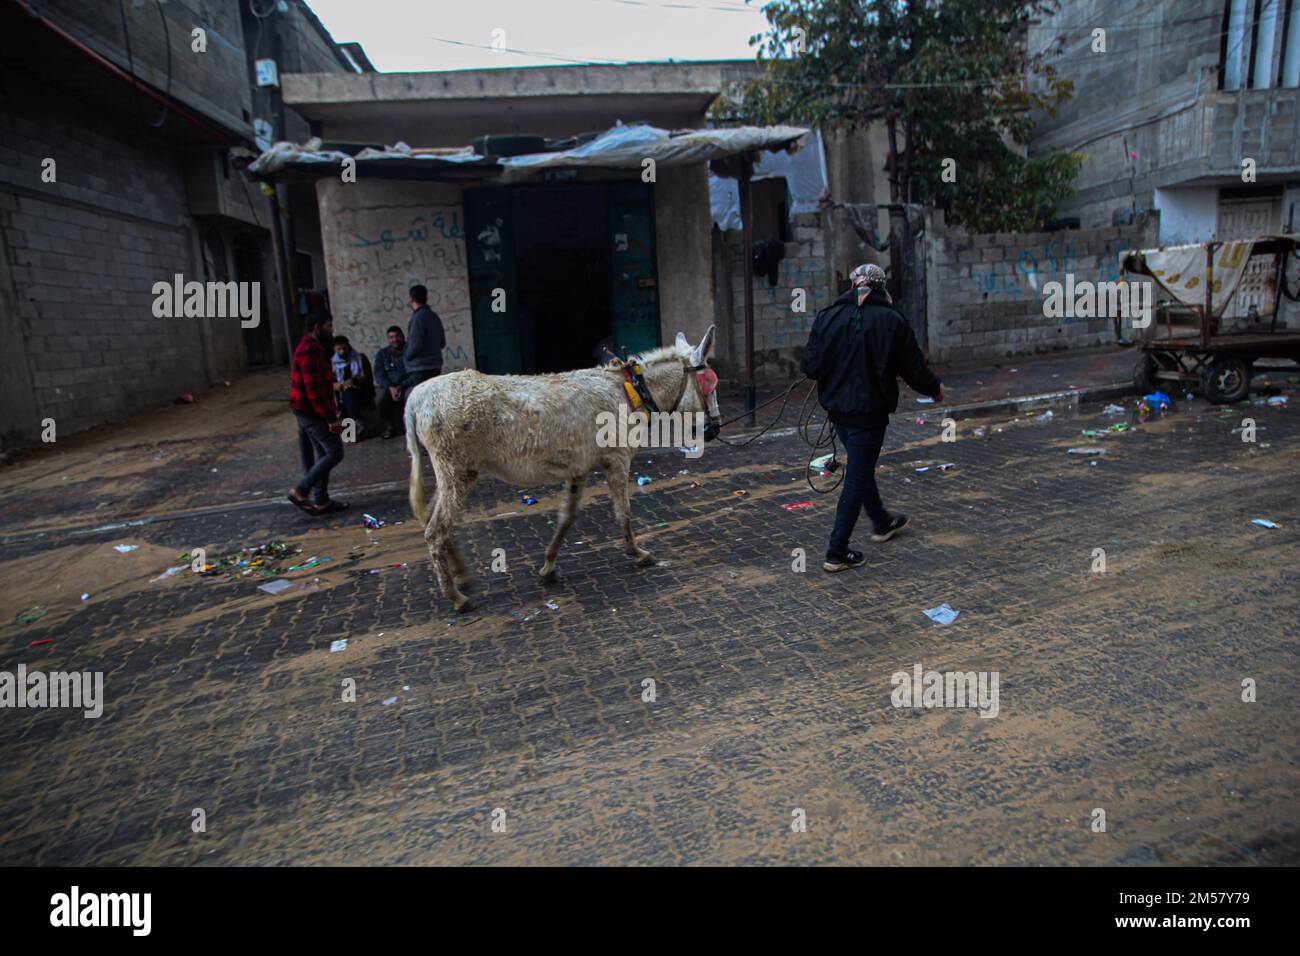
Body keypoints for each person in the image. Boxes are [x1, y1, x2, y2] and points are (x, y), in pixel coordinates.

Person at [800, 263, 942, 573]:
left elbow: (809, 366)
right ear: (881, 288)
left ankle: (881, 521)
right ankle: (837, 552)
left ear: (852, 286)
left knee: (860, 468)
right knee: (856, 476)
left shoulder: (826, 317)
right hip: (869, 414)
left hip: (837, 411)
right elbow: (913, 369)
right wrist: (935, 390)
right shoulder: (892, 320)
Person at [288, 312, 348, 516]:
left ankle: (321, 501)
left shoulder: (310, 346)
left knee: (323, 453)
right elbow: (314, 390)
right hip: (310, 411)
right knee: (334, 452)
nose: (332, 332)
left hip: (305, 409)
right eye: (329, 327)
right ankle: (301, 490)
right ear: (317, 327)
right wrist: (330, 418)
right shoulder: (310, 350)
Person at [403, 284, 445, 389]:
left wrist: (406, 356)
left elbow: (415, 345)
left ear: (412, 299)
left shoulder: (417, 318)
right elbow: (442, 342)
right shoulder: (433, 316)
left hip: (420, 369)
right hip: (435, 367)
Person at [331, 334, 374, 432]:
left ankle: (355, 427)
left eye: (344, 348)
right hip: (340, 392)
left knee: (349, 392)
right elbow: (329, 383)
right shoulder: (332, 364)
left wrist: (354, 380)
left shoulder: (358, 358)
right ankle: (352, 431)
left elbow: (366, 376)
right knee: (347, 395)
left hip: (358, 389)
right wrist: (342, 385)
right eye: (339, 349)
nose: (342, 351)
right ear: (335, 349)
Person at [373, 325, 409, 439]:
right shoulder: (382, 354)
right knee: (380, 400)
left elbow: (414, 373)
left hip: (407, 384)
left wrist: (402, 386)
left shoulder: (410, 351)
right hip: (390, 387)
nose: (395, 339)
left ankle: (411, 428)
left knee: (411, 398)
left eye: (397, 336)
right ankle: (390, 426)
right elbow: (379, 374)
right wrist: (390, 387)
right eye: (391, 337)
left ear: (403, 336)